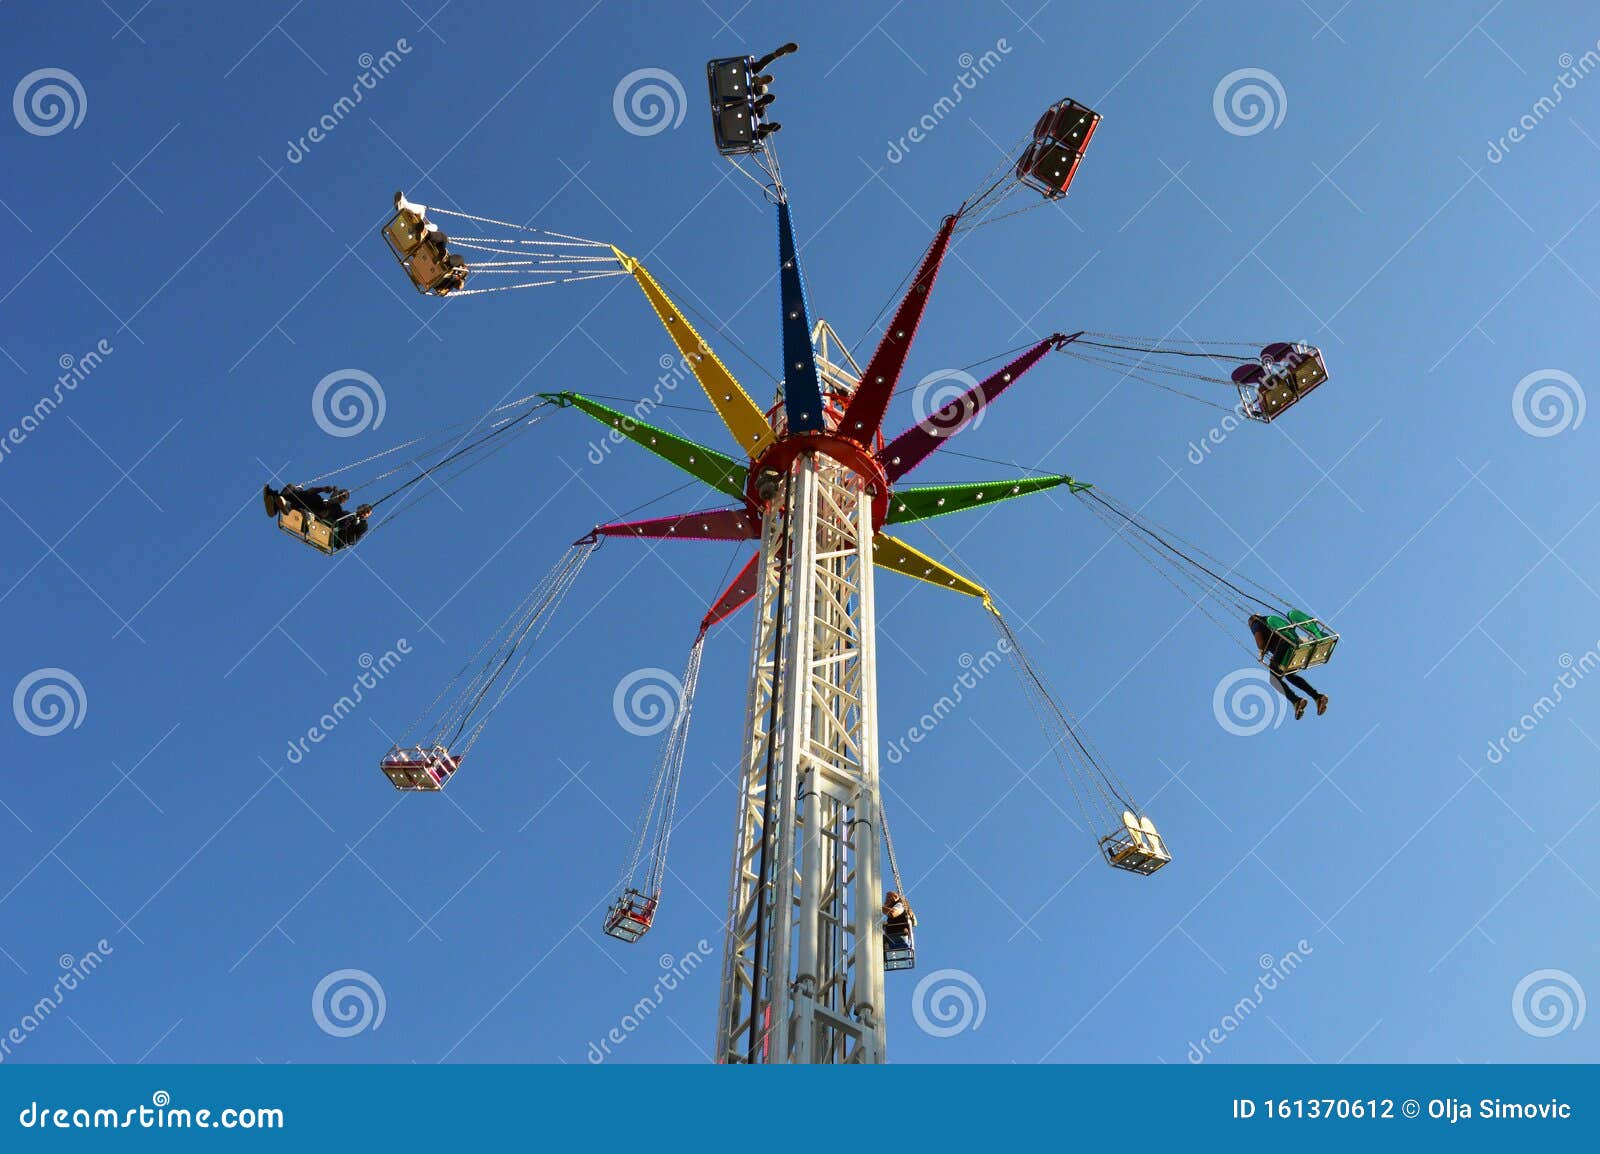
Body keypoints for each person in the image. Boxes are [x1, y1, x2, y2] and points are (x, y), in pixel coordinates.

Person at [1248, 614, 1328, 720]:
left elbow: (1261, 644)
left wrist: (1262, 650)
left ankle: (1296, 701)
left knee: (1273, 679)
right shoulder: (1271, 619)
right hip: (1294, 643)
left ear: (1252, 620)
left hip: (1283, 647)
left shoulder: (1255, 624)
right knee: (1290, 676)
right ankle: (1318, 697)